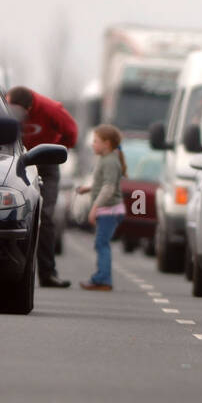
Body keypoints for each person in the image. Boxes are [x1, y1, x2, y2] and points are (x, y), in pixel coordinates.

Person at [6, 85, 78, 288]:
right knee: (10, 210)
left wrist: (57, 151)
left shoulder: (51, 109)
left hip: (46, 162)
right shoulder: (2, 104)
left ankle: (48, 273)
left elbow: (71, 133)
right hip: (14, 160)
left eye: (21, 114)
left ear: (30, 109)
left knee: (45, 215)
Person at [77, 124, 127, 290]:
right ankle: (101, 277)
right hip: (108, 210)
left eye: (96, 141)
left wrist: (94, 208)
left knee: (102, 244)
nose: (93, 144)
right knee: (101, 243)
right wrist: (88, 189)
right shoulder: (106, 159)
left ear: (106, 144)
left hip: (109, 210)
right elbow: (103, 184)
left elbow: (109, 188)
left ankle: (103, 279)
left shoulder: (110, 162)